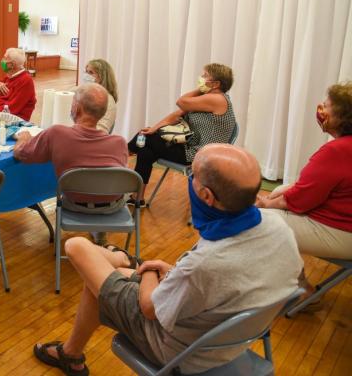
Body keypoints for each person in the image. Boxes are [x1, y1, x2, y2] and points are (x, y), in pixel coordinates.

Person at [33, 144, 302, 375]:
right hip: (228, 337)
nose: (190, 180)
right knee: (100, 274)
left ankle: (119, 262)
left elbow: (150, 308)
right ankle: (72, 352)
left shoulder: (205, 263)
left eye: (192, 175)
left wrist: (150, 269)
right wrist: (173, 271)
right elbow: (230, 281)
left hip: (176, 350)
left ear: (206, 196)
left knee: (78, 246)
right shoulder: (278, 229)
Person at [258, 81, 352, 301]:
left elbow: (301, 200)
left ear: (341, 117)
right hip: (344, 221)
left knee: (260, 221)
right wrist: (276, 198)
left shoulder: (336, 151)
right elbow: (311, 188)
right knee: (281, 190)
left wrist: (266, 204)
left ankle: (300, 291)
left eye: (326, 106)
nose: (321, 109)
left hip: (344, 231)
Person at [127, 63, 236, 205]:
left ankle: (123, 154)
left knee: (145, 139)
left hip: (200, 155)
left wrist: (200, 89)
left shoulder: (217, 99)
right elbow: (176, 115)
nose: (201, 78)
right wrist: (154, 128)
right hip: (188, 147)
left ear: (216, 84)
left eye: (205, 76)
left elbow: (181, 102)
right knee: (145, 150)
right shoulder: (207, 98)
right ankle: (137, 198)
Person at [15, 84, 128, 215]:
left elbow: (21, 153)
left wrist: (23, 139)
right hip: (112, 208)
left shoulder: (56, 133)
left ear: (76, 108)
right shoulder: (120, 143)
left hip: (74, 205)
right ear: (102, 113)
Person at [0, 47, 36, 121]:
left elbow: (11, 109)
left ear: (12, 65)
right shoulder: (8, 77)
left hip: (12, 121)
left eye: (5, 58)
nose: (2, 60)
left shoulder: (26, 80)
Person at [83, 59, 119, 133]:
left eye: (91, 72)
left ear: (102, 77)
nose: (86, 75)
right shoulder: (86, 92)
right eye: (86, 72)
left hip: (90, 137)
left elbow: (101, 131)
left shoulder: (108, 102)